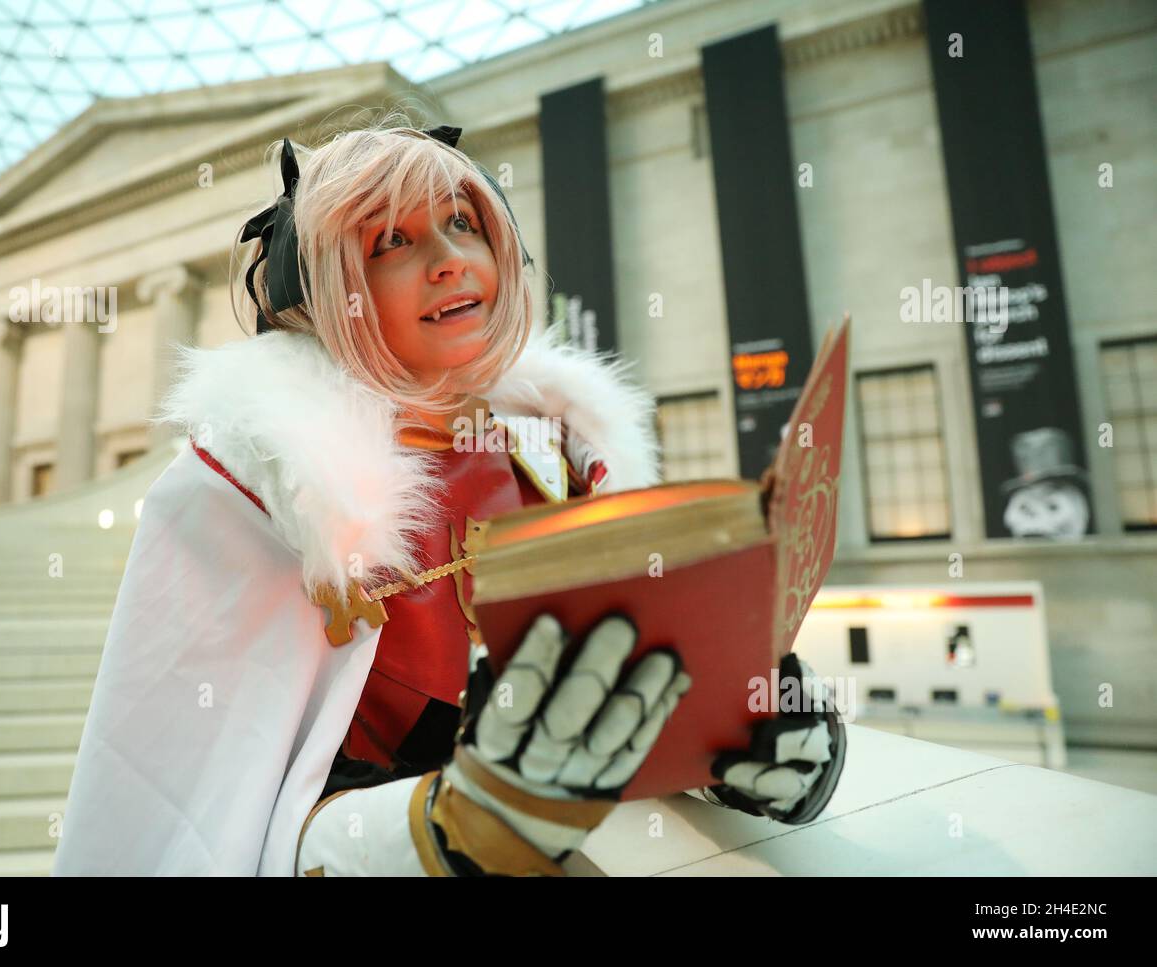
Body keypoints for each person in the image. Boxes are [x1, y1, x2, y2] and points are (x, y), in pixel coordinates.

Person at [52, 116, 845, 877]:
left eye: (463, 223)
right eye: (390, 241)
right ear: (326, 289)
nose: (448, 259)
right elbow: (225, 825)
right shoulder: (248, 490)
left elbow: (623, 696)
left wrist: (738, 737)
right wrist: (452, 827)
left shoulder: (560, 453)